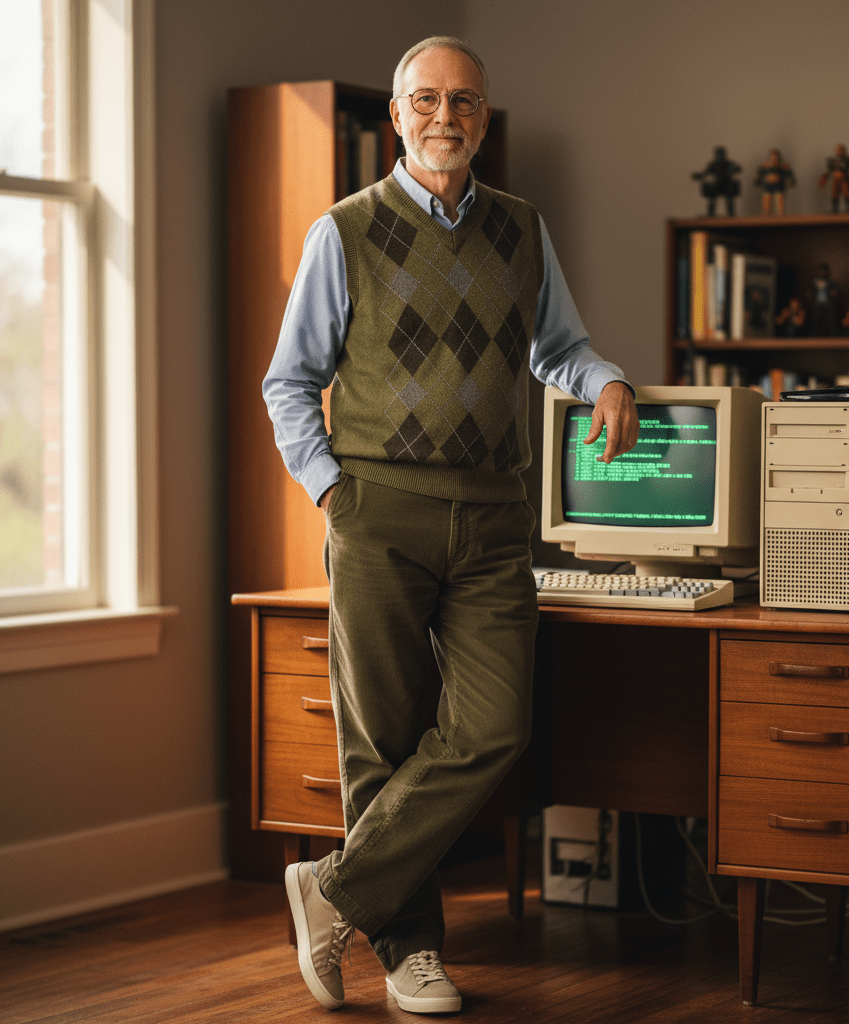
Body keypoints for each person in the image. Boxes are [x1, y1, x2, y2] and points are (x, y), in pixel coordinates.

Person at [262, 36, 639, 1015]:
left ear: (483, 117)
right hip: (378, 510)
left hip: (495, 512)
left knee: (494, 725)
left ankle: (332, 887)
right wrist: (333, 490)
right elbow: (288, 382)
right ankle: (410, 955)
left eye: (463, 102)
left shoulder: (521, 228)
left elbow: (557, 347)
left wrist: (604, 379)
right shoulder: (341, 233)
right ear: (396, 116)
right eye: (425, 100)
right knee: (381, 737)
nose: (444, 117)